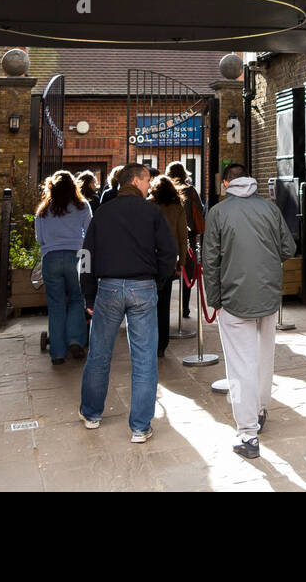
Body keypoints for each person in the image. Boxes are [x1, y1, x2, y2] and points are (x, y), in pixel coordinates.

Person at [201, 162, 295, 459]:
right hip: (268, 297)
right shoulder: (269, 209)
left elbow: (210, 261)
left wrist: (214, 300)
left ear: (226, 183)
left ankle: (248, 433)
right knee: (263, 358)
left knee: (239, 366)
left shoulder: (218, 212)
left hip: (233, 299)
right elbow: (288, 248)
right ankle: (261, 408)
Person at [79, 163, 176, 443]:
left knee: (99, 354)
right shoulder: (152, 211)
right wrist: (156, 282)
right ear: (135, 180)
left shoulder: (102, 212)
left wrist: (88, 295)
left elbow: (86, 256)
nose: (149, 186)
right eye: (147, 180)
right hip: (142, 287)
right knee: (145, 359)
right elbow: (168, 253)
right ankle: (140, 427)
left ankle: (92, 414)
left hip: (107, 288)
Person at [34, 170, 93, 365]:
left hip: (51, 258)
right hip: (77, 257)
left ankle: (57, 353)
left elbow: (39, 239)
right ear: (73, 187)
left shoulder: (43, 210)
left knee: (56, 304)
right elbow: (90, 233)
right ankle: (75, 341)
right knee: (77, 299)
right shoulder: (83, 206)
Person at [148, 174, 189, 357]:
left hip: (149, 260)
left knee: (148, 304)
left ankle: (149, 341)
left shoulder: (148, 205)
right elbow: (183, 238)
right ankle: (161, 345)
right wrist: (182, 264)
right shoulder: (177, 207)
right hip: (168, 261)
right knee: (163, 305)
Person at [168, 161, 206, 319]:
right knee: (187, 275)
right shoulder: (190, 191)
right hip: (188, 237)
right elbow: (201, 210)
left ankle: (165, 308)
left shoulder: (166, 191)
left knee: (168, 276)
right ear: (184, 173)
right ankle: (185, 308)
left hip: (169, 238)